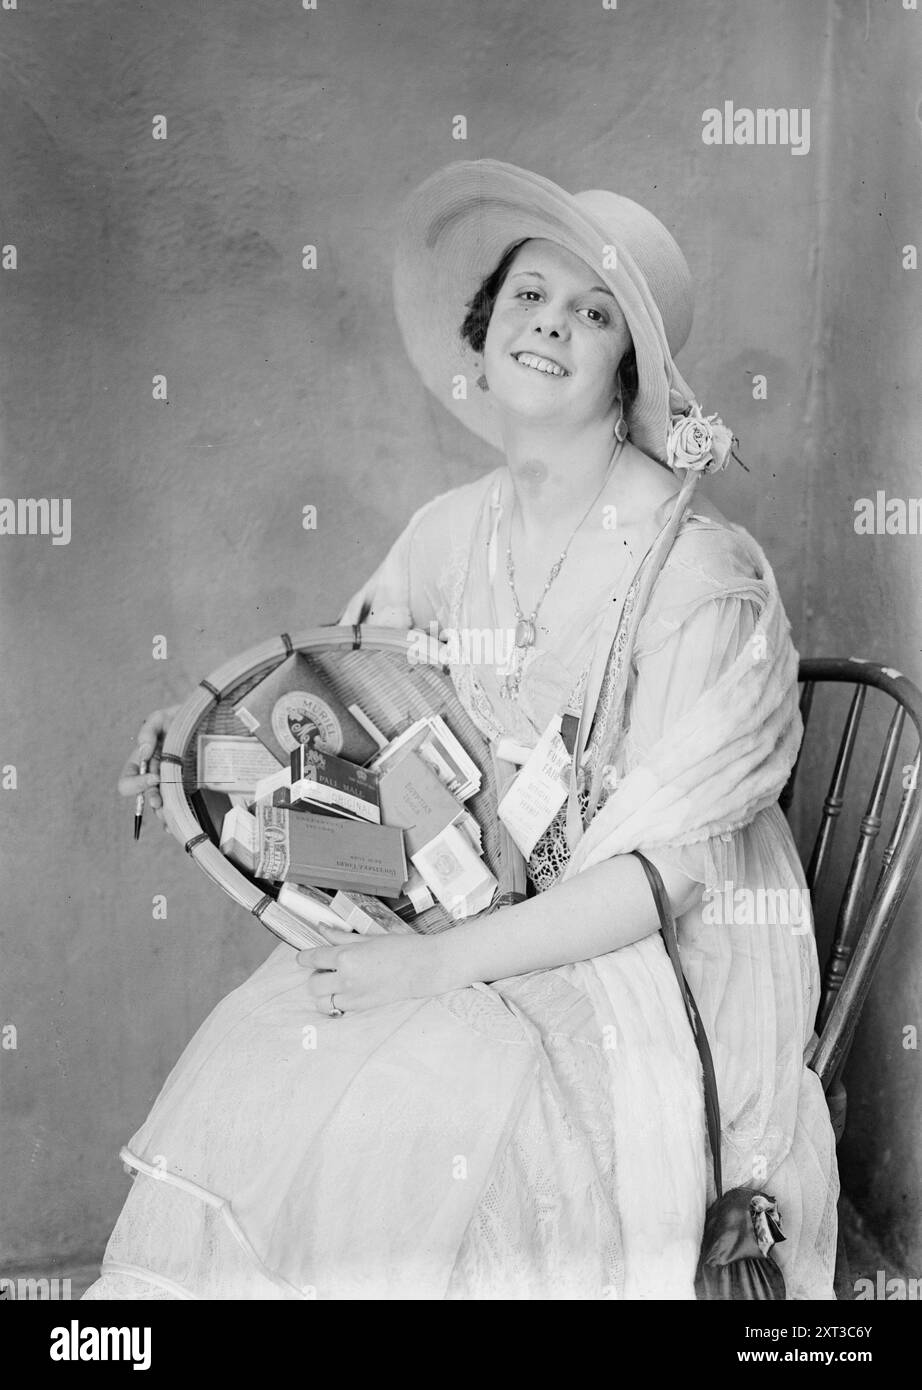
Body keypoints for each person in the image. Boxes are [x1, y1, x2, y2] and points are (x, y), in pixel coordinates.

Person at [89, 159, 838, 1300]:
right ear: (485, 334)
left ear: (628, 369)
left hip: (647, 950)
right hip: (477, 900)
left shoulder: (699, 571)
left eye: (592, 312)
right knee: (280, 1038)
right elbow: (343, 729)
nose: (551, 326)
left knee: (428, 1105)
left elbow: (666, 882)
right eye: (530, 296)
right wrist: (203, 740)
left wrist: (433, 963)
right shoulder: (450, 532)